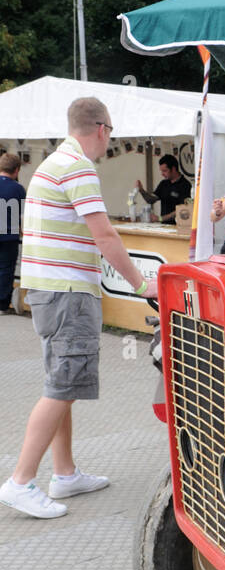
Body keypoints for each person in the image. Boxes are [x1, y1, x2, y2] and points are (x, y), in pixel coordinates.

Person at [0, 98, 158, 520]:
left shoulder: (54, 163)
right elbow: (104, 235)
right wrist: (144, 285)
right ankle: (20, 481)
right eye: (111, 132)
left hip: (47, 290)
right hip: (68, 292)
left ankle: (65, 473)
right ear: (102, 128)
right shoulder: (79, 167)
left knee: (61, 381)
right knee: (62, 385)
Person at [0, 152, 26, 313]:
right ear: (17, 170)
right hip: (9, 236)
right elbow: (23, 216)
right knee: (5, 270)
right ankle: (2, 304)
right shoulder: (18, 189)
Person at [136, 155, 191, 224]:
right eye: (161, 171)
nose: (162, 174)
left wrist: (160, 218)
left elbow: (182, 209)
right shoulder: (164, 183)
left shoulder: (185, 185)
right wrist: (141, 190)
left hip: (178, 226)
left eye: (165, 171)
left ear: (173, 169)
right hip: (164, 226)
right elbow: (151, 200)